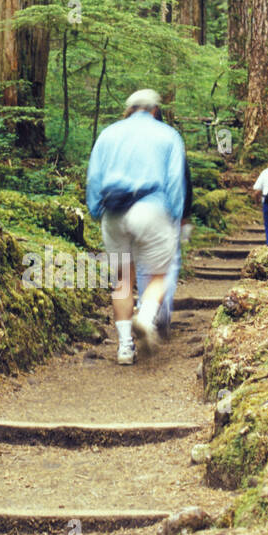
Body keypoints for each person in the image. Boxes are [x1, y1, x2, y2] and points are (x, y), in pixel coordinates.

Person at [86, 88, 186, 364]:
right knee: (158, 275)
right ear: (154, 110)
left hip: (114, 212)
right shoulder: (168, 135)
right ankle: (145, 316)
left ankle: (124, 348)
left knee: (123, 280)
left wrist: (95, 210)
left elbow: (94, 177)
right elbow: (176, 180)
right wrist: (175, 216)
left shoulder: (108, 134)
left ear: (128, 110)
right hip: (151, 209)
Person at [135, 117, 193, 339]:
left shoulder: (136, 149)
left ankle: (146, 310)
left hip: (139, 214)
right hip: (167, 213)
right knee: (169, 263)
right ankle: (162, 315)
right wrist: (184, 214)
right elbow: (184, 181)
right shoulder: (171, 144)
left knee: (143, 265)